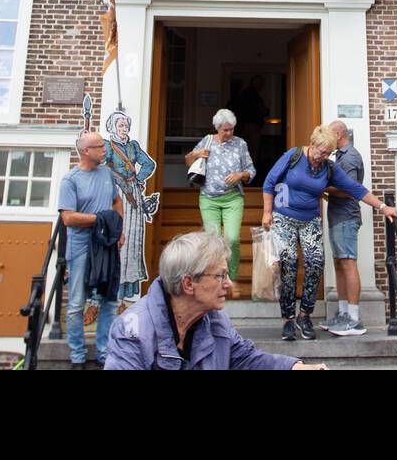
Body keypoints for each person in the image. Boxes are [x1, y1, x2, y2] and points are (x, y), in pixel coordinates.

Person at [105, 231, 326, 370]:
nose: (229, 284)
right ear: (189, 284)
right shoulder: (133, 330)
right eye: (220, 276)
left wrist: (294, 367)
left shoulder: (215, 320)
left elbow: (244, 359)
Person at [261, 124, 397, 341]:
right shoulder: (293, 156)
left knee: (316, 263)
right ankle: (287, 319)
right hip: (283, 217)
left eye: (327, 153)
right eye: (320, 152)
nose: (322, 157)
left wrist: (382, 207)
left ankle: (304, 316)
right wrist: (267, 213)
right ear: (312, 144)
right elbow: (269, 182)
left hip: (310, 221)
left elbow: (356, 189)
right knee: (288, 263)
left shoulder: (329, 168)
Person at [58, 131, 124, 369]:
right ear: (87, 151)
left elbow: (117, 201)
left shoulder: (107, 173)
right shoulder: (71, 180)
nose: (105, 149)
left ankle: (104, 352)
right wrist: (100, 220)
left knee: (109, 300)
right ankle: (77, 355)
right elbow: (68, 218)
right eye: (100, 146)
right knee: (76, 303)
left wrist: (119, 229)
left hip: (106, 246)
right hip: (81, 247)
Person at [185, 108, 255, 291]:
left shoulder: (240, 144)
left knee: (231, 239)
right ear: (217, 128)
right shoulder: (207, 141)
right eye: (225, 130)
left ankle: (232, 278)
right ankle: (216, 279)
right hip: (209, 199)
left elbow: (251, 170)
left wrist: (240, 175)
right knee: (213, 242)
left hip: (233, 199)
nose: (229, 133)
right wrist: (196, 155)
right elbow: (187, 161)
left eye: (231, 129)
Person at [103, 110, 158, 300]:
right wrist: (116, 179)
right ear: (113, 127)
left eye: (126, 126)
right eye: (120, 125)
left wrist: (138, 178)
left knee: (133, 237)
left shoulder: (133, 146)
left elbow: (149, 164)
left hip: (132, 192)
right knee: (119, 235)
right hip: (116, 193)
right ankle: (113, 286)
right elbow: (102, 166)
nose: (124, 129)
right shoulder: (108, 146)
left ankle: (127, 289)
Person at [320, 119, 366, 336]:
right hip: (337, 216)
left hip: (346, 217)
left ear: (338, 134)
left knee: (348, 262)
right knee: (339, 264)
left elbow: (349, 191)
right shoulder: (339, 156)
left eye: (329, 134)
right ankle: (343, 313)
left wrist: (321, 187)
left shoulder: (350, 157)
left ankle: (354, 319)